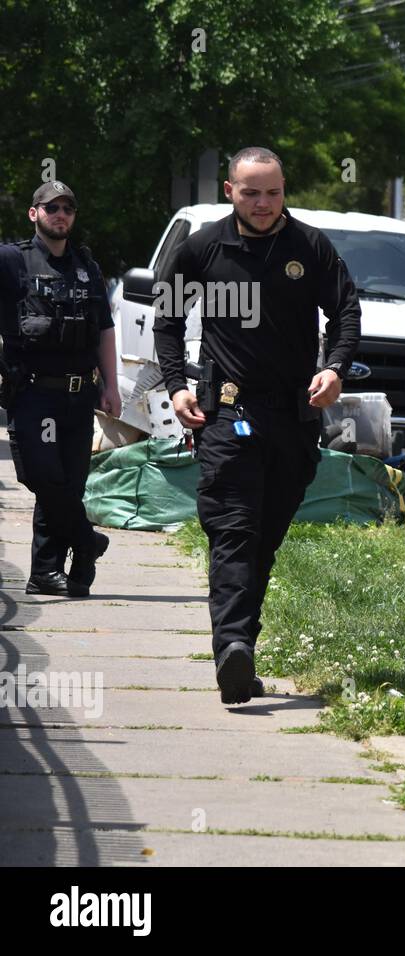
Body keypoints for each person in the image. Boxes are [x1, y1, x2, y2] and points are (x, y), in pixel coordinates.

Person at [153, 147, 361, 705]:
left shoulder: (310, 246)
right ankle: (233, 647)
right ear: (229, 191)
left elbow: (345, 311)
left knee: (264, 539)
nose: (263, 203)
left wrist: (334, 368)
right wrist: (177, 386)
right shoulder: (201, 248)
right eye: (250, 192)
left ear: (284, 188)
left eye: (272, 192)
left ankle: (240, 648)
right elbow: (168, 322)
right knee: (234, 530)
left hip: (294, 419)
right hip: (226, 414)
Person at [0, 180, 120, 596]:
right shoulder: (12, 261)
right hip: (33, 392)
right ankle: (87, 541)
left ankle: (49, 570)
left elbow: (104, 328)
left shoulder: (86, 266)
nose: (61, 214)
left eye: (68, 208)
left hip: (80, 393)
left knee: (70, 483)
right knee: (44, 477)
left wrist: (112, 386)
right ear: (34, 213)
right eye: (52, 207)